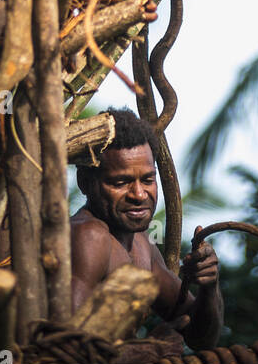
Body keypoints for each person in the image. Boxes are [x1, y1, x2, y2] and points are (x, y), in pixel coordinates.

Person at [71, 108, 223, 349]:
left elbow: (201, 338)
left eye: (147, 180)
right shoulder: (89, 237)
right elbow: (57, 347)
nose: (139, 194)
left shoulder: (141, 243)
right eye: (120, 182)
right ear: (85, 183)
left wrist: (209, 286)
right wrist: (139, 351)